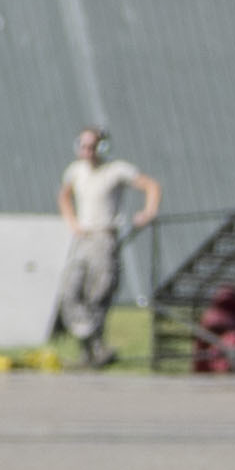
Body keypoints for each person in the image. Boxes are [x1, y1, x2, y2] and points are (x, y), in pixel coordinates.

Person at [52, 123, 158, 364]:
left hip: (104, 237)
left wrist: (147, 212)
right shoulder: (75, 171)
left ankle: (90, 353)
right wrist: (72, 222)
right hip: (82, 238)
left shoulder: (116, 170)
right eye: (83, 145)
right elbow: (64, 197)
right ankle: (93, 342)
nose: (87, 151)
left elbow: (151, 186)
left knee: (98, 294)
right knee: (70, 291)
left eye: (92, 146)